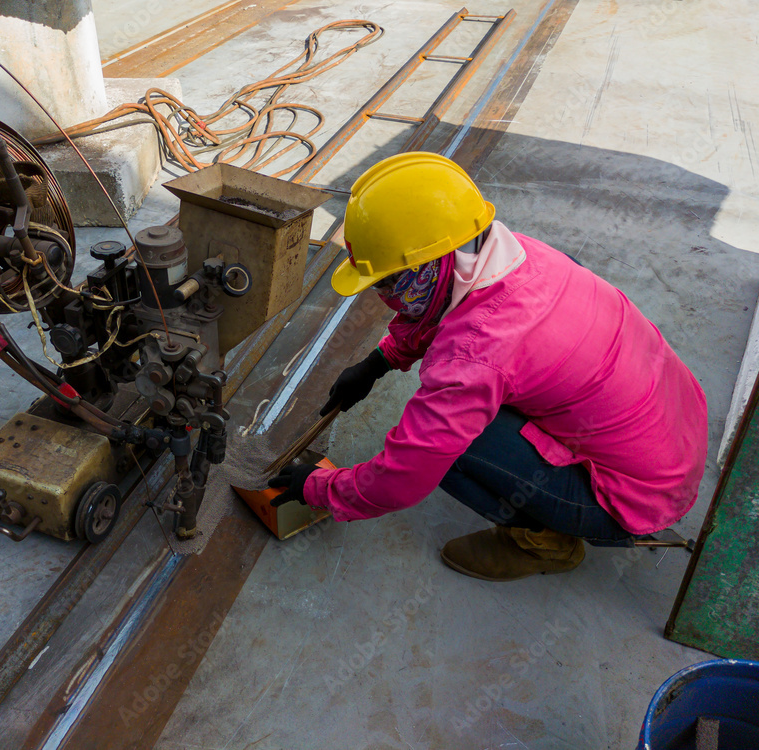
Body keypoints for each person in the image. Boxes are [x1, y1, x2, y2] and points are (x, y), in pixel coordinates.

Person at [268, 152, 708, 582]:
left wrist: (319, 488)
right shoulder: (512, 255)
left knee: (450, 447)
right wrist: (380, 361)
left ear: (430, 264)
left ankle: (544, 543)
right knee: (473, 406)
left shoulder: (473, 355)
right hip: (676, 435)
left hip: (634, 496)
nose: (384, 295)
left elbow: (403, 478)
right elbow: (449, 308)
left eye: (386, 281)